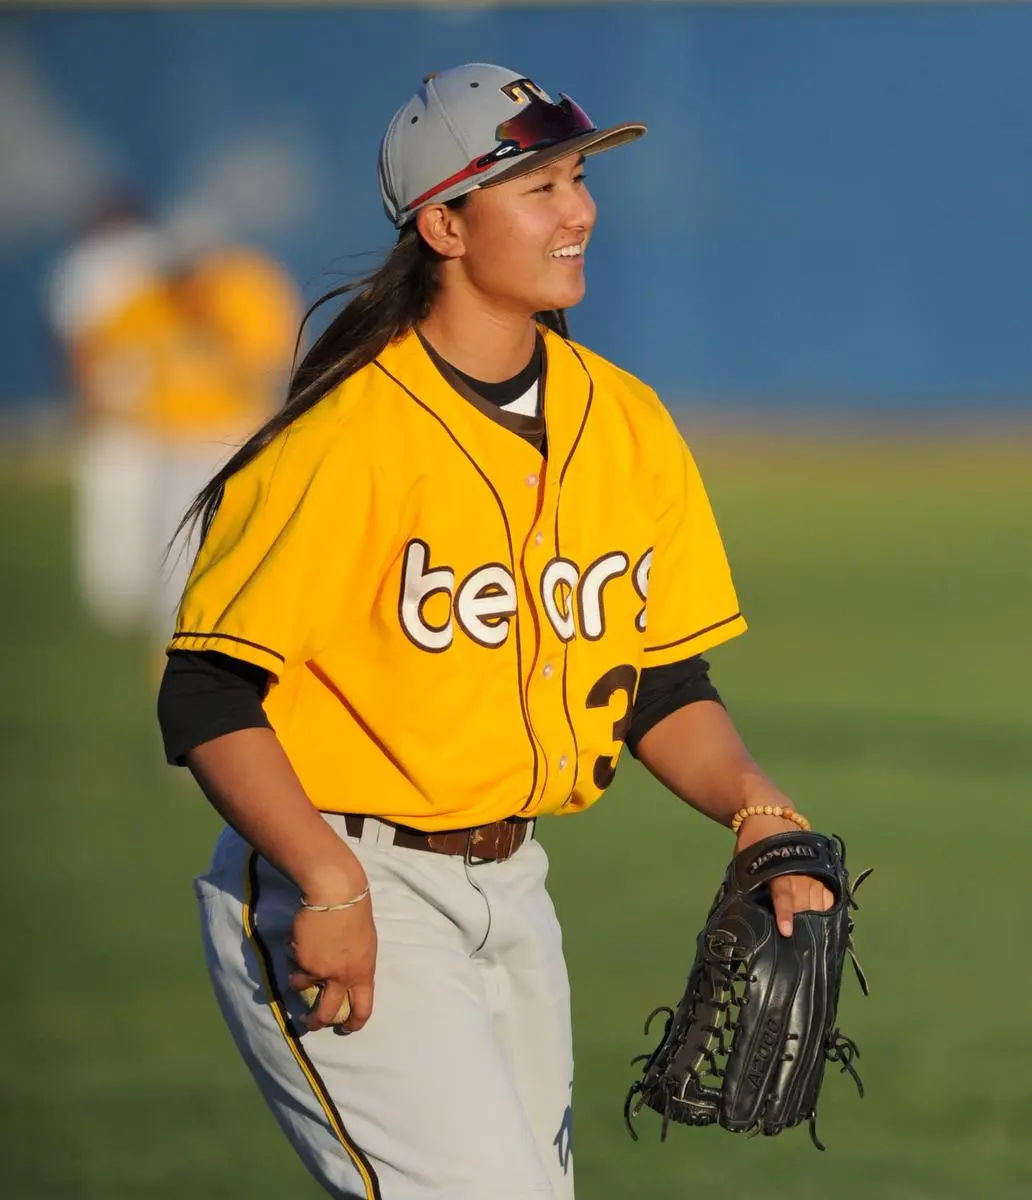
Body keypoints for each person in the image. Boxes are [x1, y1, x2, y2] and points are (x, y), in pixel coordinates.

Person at [157, 64, 833, 1200]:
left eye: (577, 177)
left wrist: (758, 814)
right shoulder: (347, 434)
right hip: (346, 877)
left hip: (516, 890)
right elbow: (207, 694)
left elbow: (658, 678)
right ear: (444, 223)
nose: (582, 210)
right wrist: (325, 884)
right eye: (540, 187)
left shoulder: (620, 417)